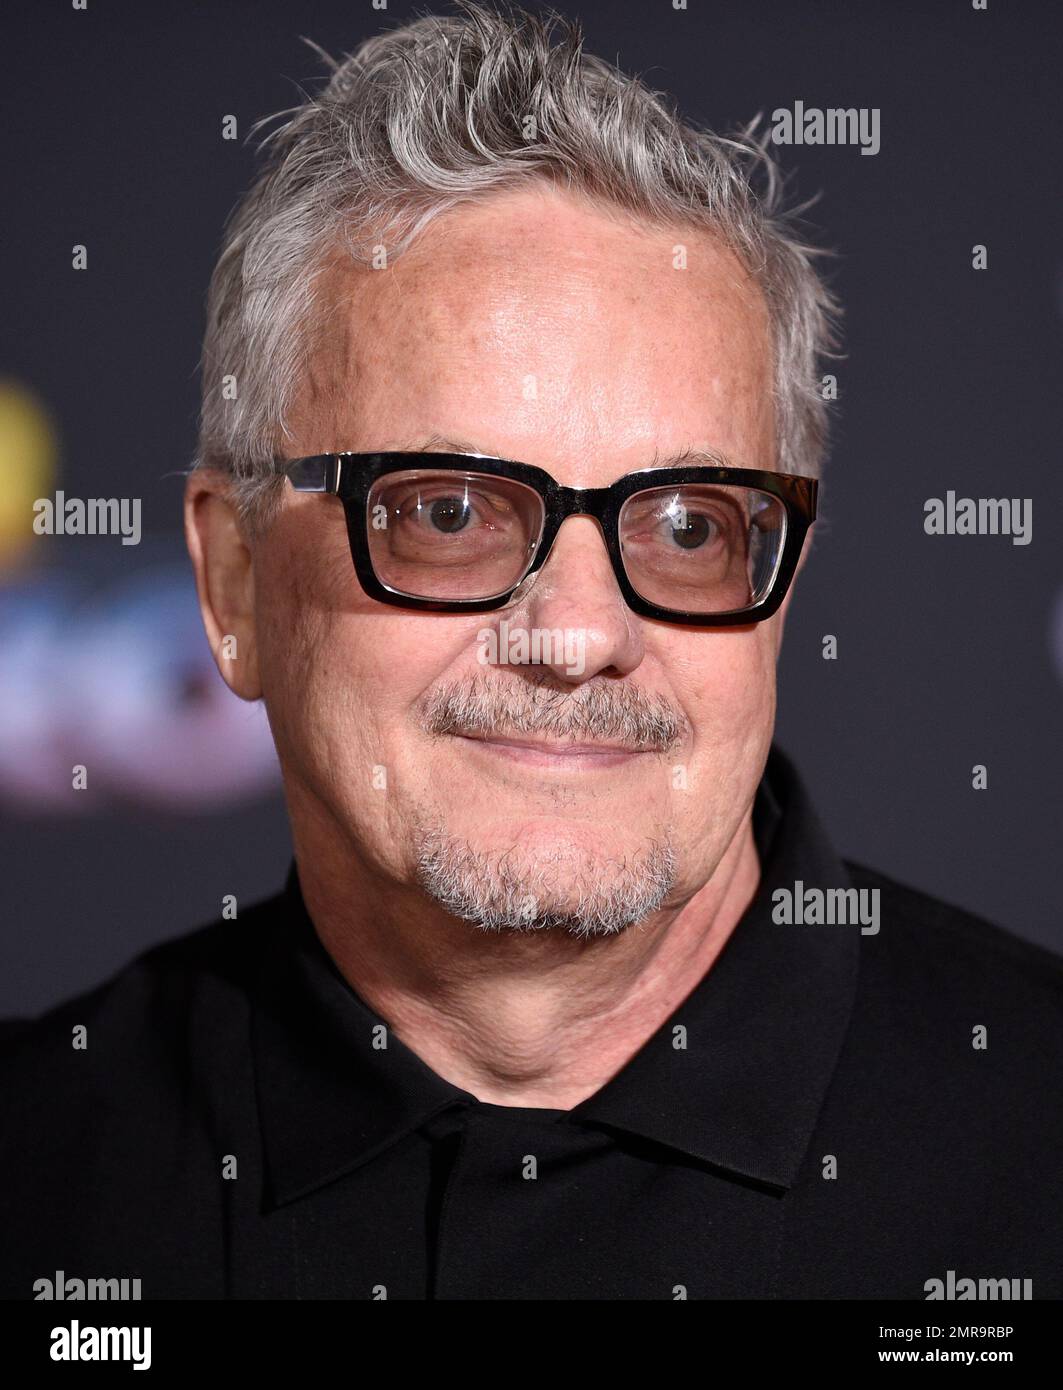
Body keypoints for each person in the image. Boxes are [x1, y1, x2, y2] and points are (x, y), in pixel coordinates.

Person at [3, 1, 1061, 1301]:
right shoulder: (38, 1177)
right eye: (448, 512)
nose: (575, 635)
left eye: (687, 524)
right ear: (232, 584)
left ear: (780, 587)